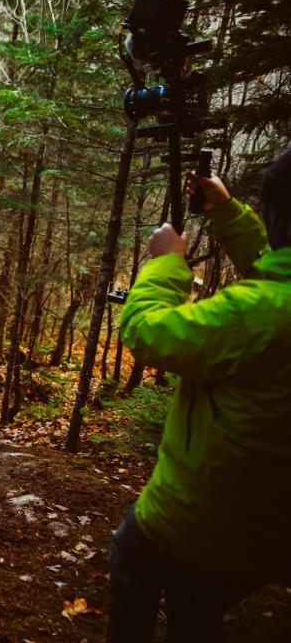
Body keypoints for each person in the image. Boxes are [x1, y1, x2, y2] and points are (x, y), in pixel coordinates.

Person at [108, 147, 291, 642]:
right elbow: (278, 270)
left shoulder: (262, 312)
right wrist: (229, 214)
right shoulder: (273, 304)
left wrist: (168, 266)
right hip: (267, 524)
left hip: (207, 515)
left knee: (133, 562)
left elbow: (147, 331)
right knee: (199, 606)